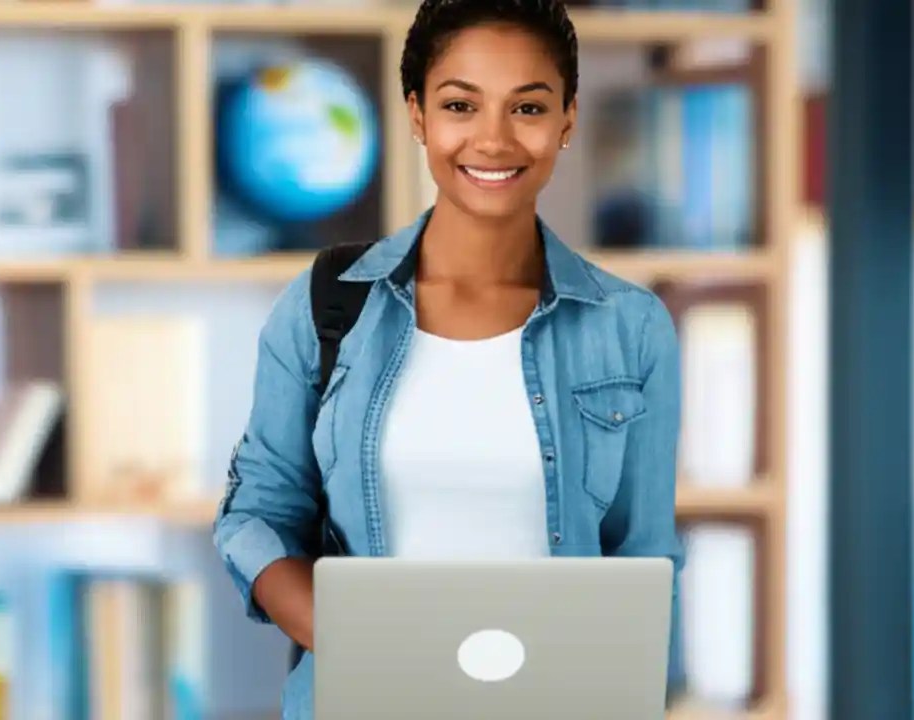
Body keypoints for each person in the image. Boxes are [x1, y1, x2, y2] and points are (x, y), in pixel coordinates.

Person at [212, 0, 686, 715]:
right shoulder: (324, 308)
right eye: (461, 104)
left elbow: (646, 563)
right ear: (417, 116)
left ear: (567, 122)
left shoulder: (632, 327)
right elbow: (256, 518)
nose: (493, 140)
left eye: (527, 108)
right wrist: (360, 641)